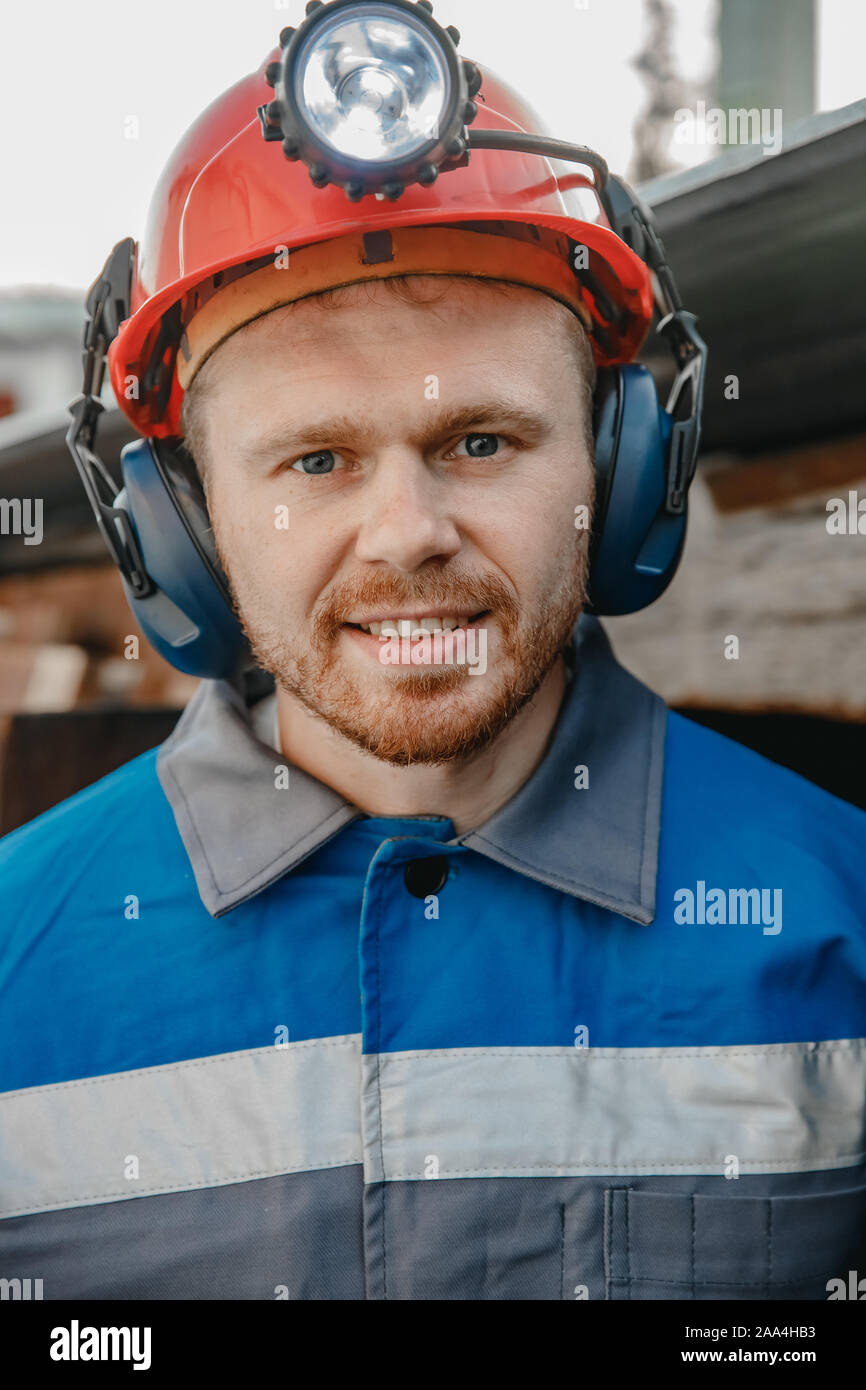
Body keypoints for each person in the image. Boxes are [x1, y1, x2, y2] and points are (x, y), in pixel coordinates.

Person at [1, 2, 865, 1301]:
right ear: (180, 524)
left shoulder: (842, 920)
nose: (406, 535)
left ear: (624, 468)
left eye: (480, 442)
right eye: (315, 460)